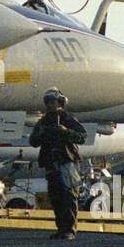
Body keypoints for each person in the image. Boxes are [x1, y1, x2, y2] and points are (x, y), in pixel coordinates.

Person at [29, 88, 87, 239]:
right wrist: (42, 134)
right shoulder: (43, 122)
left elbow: (82, 136)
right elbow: (33, 141)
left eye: (52, 101)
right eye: (47, 102)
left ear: (60, 102)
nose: (49, 105)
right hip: (51, 163)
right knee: (56, 198)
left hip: (67, 162)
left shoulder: (67, 118)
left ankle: (69, 230)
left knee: (68, 196)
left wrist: (65, 132)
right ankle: (62, 229)